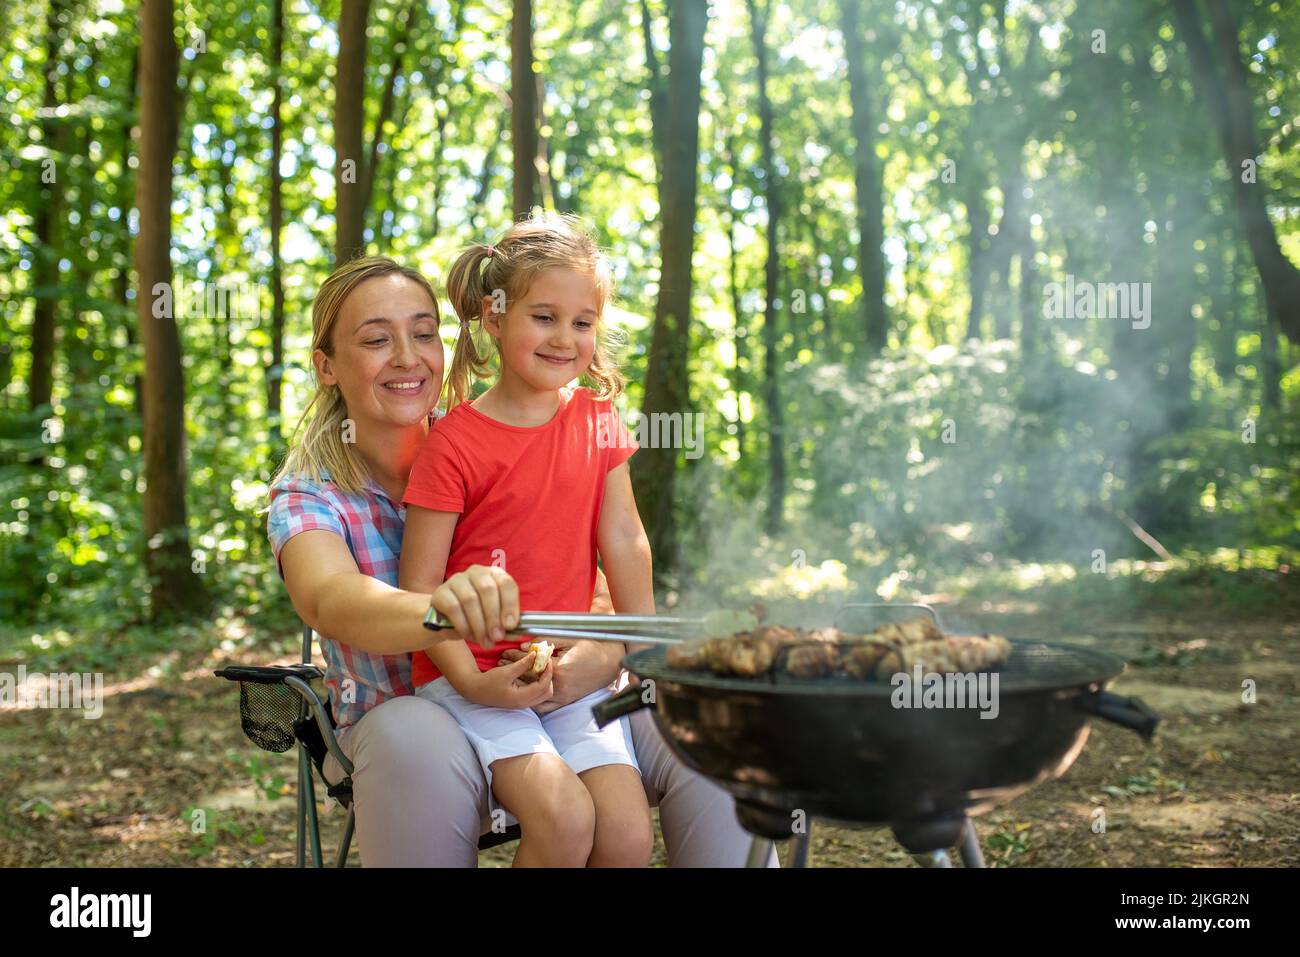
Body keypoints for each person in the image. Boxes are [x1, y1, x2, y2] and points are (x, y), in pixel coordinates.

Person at [267, 254, 776, 867]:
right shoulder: (312, 495)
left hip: (559, 687)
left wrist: (609, 650)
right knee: (417, 740)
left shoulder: (515, 427)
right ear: (327, 366)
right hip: (424, 713)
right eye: (376, 340)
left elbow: (597, 555)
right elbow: (329, 599)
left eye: (423, 334)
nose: (406, 356)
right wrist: (447, 611)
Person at [399, 216, 652, 867]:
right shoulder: (453, 440)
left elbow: (624, 535)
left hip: (567, 672)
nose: (565, 338)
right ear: (494, 315)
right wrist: (472, 681)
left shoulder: (598, 419)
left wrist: (643, 646)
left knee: (625, 835)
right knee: (564, 821)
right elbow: (419, 591)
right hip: (470, 674)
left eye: (583, 321)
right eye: (544, 316)